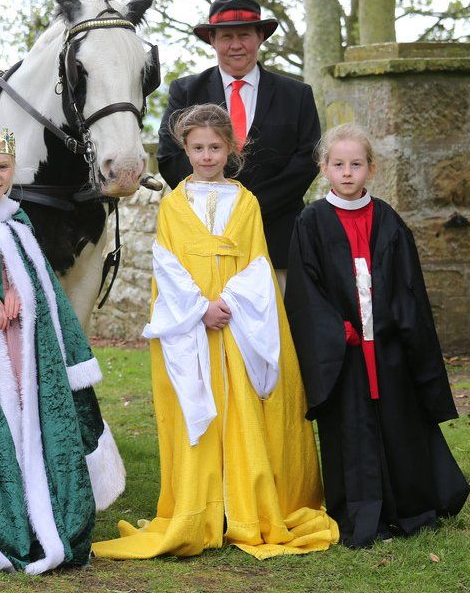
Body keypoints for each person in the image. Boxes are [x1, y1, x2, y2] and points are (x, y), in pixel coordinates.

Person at [92, 104, 338, 561]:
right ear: (184, 150)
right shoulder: (173, 203)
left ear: (231, 149)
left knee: (239, 407)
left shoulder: (245, 201)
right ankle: (200, 507)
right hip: (194, 320)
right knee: (197, 406)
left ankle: (243, 506)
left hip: (237, 319)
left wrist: (229, 305)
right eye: (198, 148)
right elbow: (165, 263)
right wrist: (200, 308)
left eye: (216, 147)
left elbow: (257, 262)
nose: (207, 156)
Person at [0, 127, 125, 574]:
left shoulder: (19, 221)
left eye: (2, 167)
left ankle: (43, 509)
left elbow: (41, 284)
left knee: (31, 417)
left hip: (26, 345)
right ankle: (5, 517)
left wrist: (18, 293)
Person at [284, 123, 470, 548]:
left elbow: (409, 287)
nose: (347, 172)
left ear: (371, 167)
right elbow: (305, 293)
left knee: (397, 425)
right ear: (323, 168)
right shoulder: (311, 223)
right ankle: (361, 518)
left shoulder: (387, 219)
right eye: (338, 164)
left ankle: (409, 510)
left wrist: (390, 327)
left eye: (356, 164)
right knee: (352, 432)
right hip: (344, 351)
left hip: (388, 348)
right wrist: (340, 331)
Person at [155, 0, 320, 289]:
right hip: (203, 244)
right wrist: (216, 206)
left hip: (275, 242)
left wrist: (248, 207)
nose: (236, 45)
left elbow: (307, 160)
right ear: (212, 41)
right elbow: (169, 156)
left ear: (260, 37)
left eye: (244, 35)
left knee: (274, 329)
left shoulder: (296, 95)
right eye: (226, 37)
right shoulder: (185, 91)